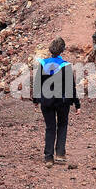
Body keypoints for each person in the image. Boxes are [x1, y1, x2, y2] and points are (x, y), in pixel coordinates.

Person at [31, 37, 81, 165]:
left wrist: (36, 100)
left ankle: (48, 157)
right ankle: (60, 154)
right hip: (62, 101)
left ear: (50, 49)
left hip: (46, 101)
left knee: (50, 127)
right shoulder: (66, 65)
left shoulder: (43, 64)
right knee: (62, 125)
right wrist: (77, 104)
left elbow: (37, 83)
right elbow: (71, 86)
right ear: (62, 50)